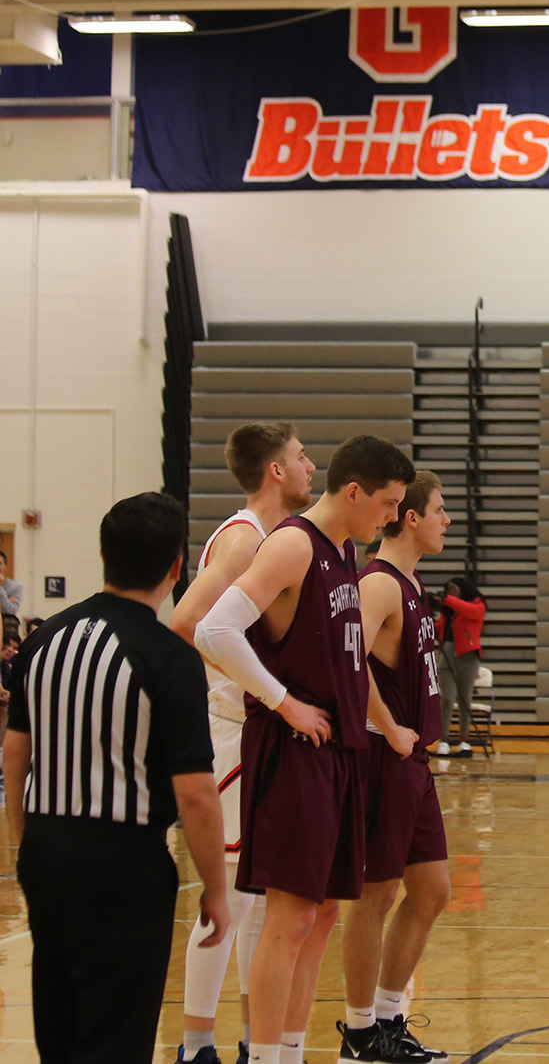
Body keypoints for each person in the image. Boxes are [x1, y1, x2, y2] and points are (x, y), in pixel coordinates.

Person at [194, 435, 414, 1064]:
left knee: (320, 919)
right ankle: (263, 1057)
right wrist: (281, 698)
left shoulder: (346, 552)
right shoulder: (293, 543)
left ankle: (290, 1050)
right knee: (289, 921)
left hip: (338, 752)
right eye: (389, 503)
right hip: (296, 752)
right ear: (353, 492)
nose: (393, 516)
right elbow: (214, 629)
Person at [3, 492, 232, 1063]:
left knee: (60, 1026)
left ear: (103, 554)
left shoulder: (42, 640)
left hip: (47, 852)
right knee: (117, 1037)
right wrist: (216, 888)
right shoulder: (168, 657)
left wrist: (23, 844)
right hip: (123, 865)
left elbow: (14, 755)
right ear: (177, 566)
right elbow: (196, 795)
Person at [171, 421, 317, 1064]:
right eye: (301, 455)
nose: (311, 464)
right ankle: (195, 1044)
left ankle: (245, 1041)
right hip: (229, 730)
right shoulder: (245, 538)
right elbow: (186, 623)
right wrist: (254, 690)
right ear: (276, 471)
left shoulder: (271, 537)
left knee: (256, 899)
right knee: (224, 896)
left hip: (249, 728)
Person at [340, 471, 453, 1064]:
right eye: (440, 509)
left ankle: (389, 1019)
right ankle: (360, 1032)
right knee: (376, 894)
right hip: (384, 758)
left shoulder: (412, 585)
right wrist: (387, 726)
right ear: (410, 517)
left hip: (414, 761)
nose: (447, 520)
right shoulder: (378, 584)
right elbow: (344, 666)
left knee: (432, 891)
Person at [433, 576, 485, 757]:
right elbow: (439, 627)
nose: (450, 592)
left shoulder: (477, 604)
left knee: (465, 700)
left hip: (467, 656)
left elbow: (470, 611)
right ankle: (444, 740)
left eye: (454, 588)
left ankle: (464, 740)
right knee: (447, 698)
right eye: (448, 589)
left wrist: (447, 600)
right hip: (447, 654)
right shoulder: (448, 610)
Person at [0, 549, 22, 619]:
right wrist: (7, 599)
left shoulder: (16, 586)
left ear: (5, 566)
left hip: (5, 626)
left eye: (0, 563)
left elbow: (10, 611)